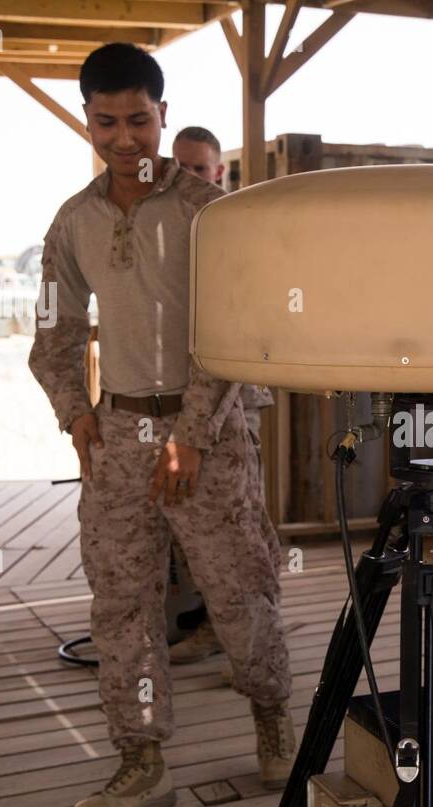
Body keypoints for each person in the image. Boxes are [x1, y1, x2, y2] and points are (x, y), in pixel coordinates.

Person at [29, 43, 295, 807]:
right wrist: (73, 410)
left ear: (162, 116)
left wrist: (193, 433)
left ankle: (273, 717)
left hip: (206, 435)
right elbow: (54, 325)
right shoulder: (72, 221)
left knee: (239, 588)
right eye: (106, 122)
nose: (124, 139)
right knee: (120, 602)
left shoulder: (207, 213)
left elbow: (232, 330)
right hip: (116, 435)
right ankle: (140, 760)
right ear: (87, 120)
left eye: (138, 121)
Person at [167, 123, 276, 666]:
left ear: (219, 172)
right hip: (177, 398)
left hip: (236, 399)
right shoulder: (162, 224)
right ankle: (213, 622)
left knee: (241, 520)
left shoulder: (233, 226)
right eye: (178, 166)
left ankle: (251, 636)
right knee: (188, 513)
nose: (187, 177)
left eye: (198, 168)